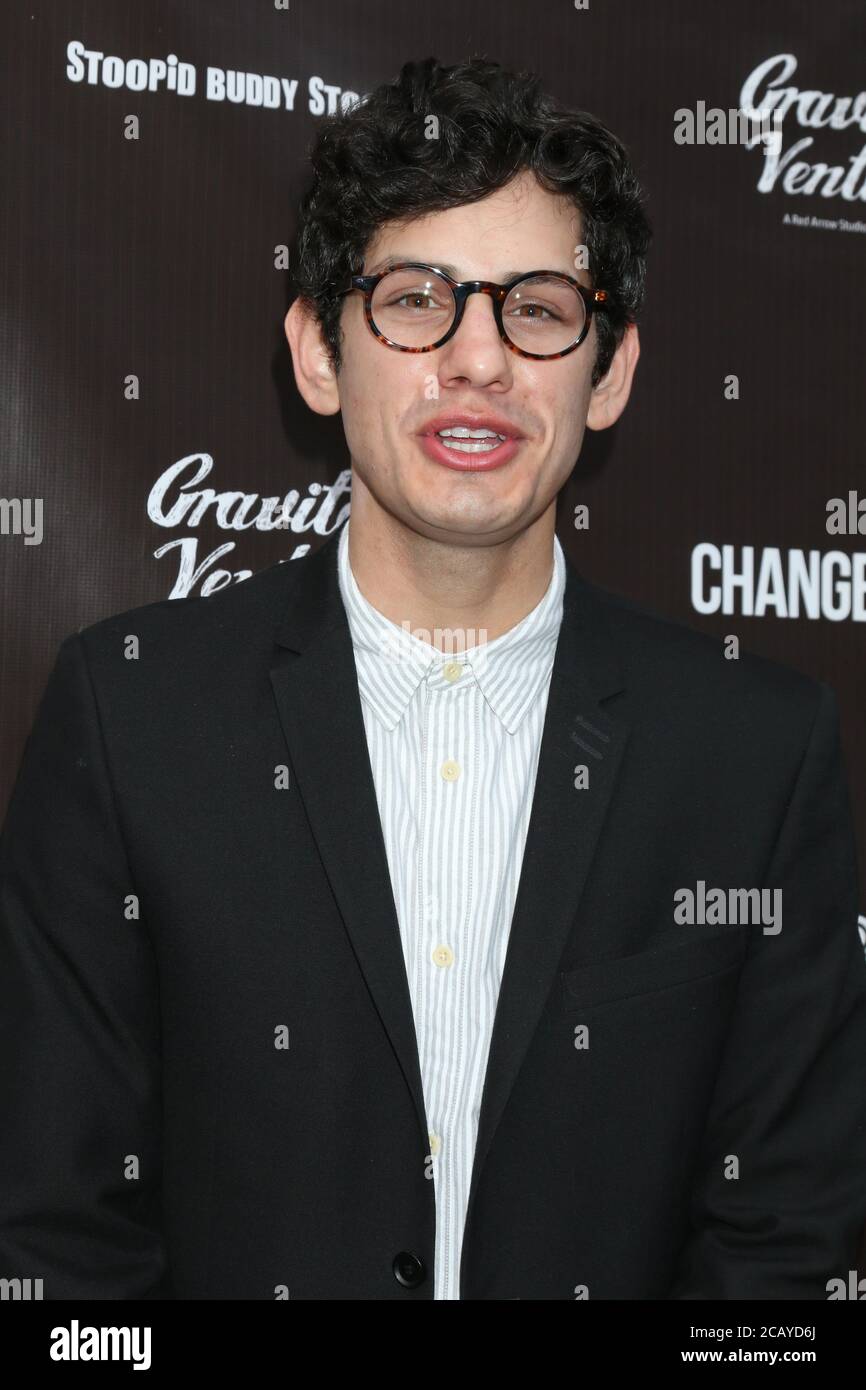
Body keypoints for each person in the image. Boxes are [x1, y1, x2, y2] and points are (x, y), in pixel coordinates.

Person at [1, 55, 865, 1302]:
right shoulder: (131, 719)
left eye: (537, 309)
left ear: (609, 371)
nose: (477, 360)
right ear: (318, 351)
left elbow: (781, 1254)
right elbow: (57, 1238)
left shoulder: (753, 753)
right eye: (415, 300)